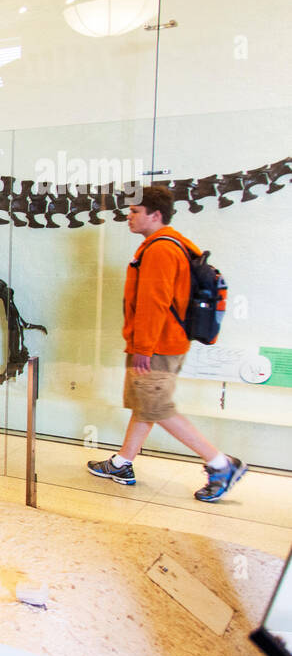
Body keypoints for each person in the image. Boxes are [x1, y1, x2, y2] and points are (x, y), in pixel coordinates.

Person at [87, 185, 246, 501]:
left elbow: (153, 303)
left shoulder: (160, 249)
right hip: (162, 342)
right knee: (144, 404)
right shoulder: (170, 244)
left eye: (134, 212)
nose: (129, 218)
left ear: (154, 215)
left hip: (157, 345)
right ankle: (122, 463)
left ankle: (220, 463)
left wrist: (143, 348)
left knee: (158, 407)